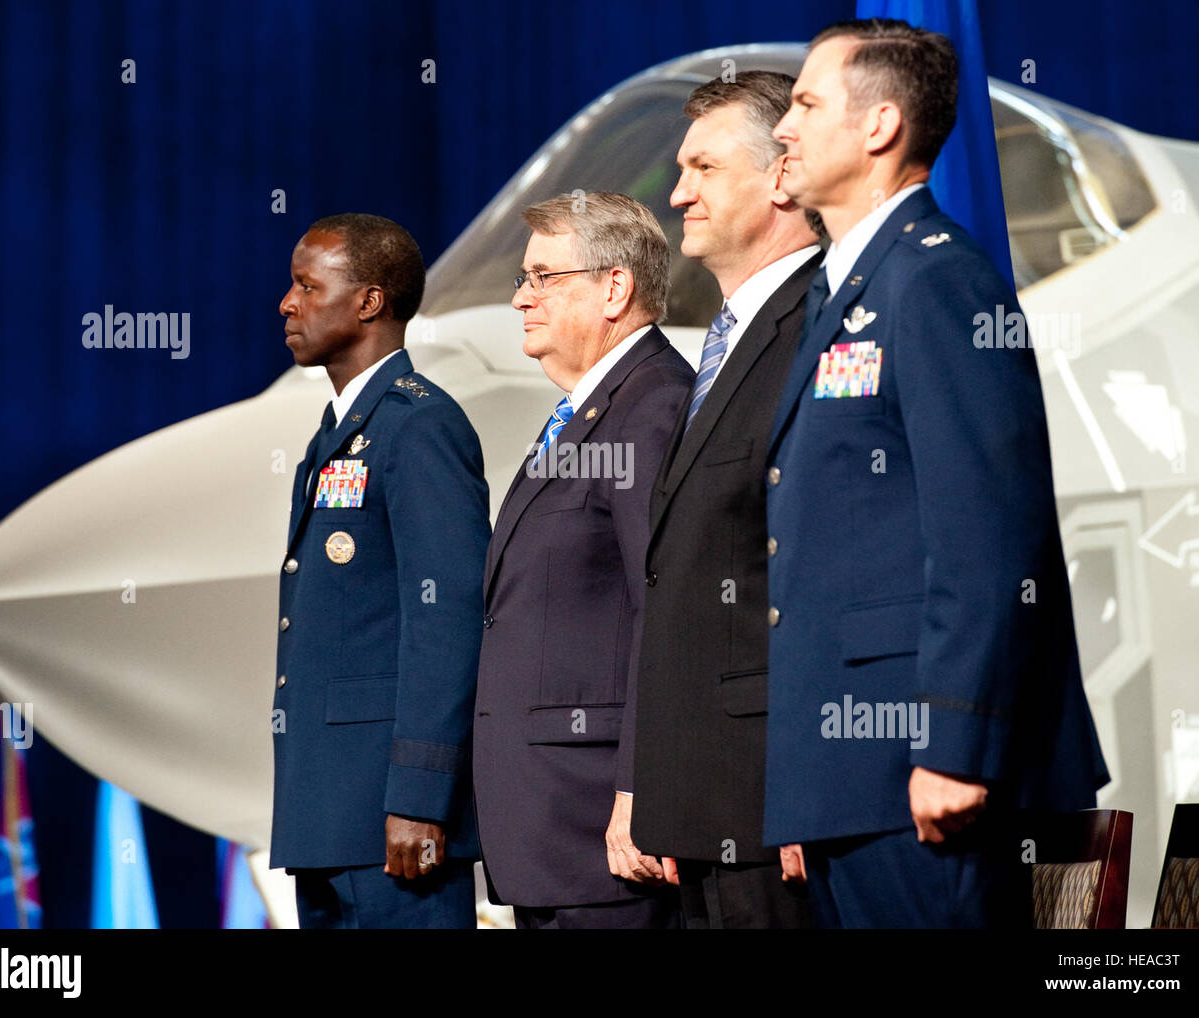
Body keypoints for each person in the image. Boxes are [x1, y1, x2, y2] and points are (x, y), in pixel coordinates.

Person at [763, 18, 1111, 929]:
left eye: (804, 104)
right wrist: (803, 781)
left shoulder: (938, 283)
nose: (783, 129)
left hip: (923, 769)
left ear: (879, 126)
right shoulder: (845, 295)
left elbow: (991, 537)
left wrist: (956, 744)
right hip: (848, 780)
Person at [622, 71, 821, 929]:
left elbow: (826, 567)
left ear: (782, 176)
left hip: (777, 802)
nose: (677, 194)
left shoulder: (822, 327)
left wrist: (815, 784)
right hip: (705, 803)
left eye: (702, 168)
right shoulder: (722, 344)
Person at [473, 192, 692, 929]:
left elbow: (665, 611)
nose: (519, 299)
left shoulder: (652, 405)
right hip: (554, 833)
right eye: (522, 279)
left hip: (602, 832)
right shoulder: (591, 409)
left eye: (542, 278)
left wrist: (642, 792)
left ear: (614, 288)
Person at [270, 213, 489, 929]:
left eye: (307, 285)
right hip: (329, 817)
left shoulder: (418, 425)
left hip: (390, 822)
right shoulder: (338, 434)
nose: (287, 302)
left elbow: (448, 620)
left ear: (368, 302)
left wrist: (422, 799)